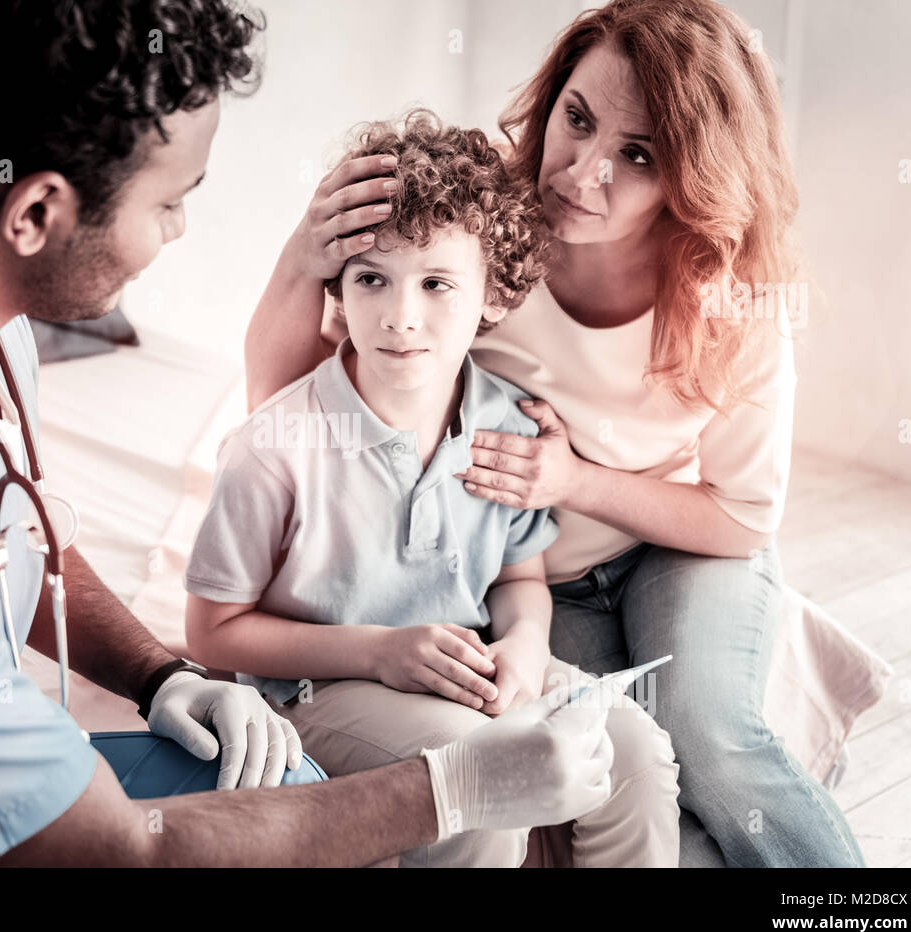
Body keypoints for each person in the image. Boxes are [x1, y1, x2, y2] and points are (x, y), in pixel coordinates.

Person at [0, 0, 615, 868]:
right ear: (35, 211)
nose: (183, 229)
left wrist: (160, 672)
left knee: (281, 791)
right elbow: (110, 855)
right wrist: (459, 787)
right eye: (170, 201)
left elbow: (9, 527)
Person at [242, 0, 866, 867]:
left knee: (712, 737)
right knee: (614, 766)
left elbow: (742, 519)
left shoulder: (728, 291)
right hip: (519, 570)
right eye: (577, 119)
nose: (581, 172)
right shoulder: (479, 222)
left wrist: (570, 480)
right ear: (554, 96)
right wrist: (301, 254)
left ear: (693, 181)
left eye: (637, 156)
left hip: (677, 546)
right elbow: (284, 399)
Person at [184, 110, 681, 867]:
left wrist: (523, 643)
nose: (400, 316)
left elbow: (519, 576)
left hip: (470, 665)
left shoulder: (509, 428)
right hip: (314, 693)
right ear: (339, 292)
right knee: (481, 775)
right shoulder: (274, 446)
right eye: (372, 279)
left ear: (496, 296)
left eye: (437, 283)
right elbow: (211, 633)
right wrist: (380, 651)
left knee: (637, 750)